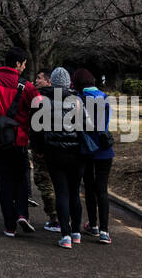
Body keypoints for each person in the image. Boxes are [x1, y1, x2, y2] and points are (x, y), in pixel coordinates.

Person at [0, 48, 39, 237]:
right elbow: (38, 109)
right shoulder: (27, 86)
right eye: (24, 64)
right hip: (18, 139)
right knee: (21, 177)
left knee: (4, 181)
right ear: (18, 64)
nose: (24, 68)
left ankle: (9, 225)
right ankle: (22, 213)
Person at [34, 67, 87, 249]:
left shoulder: (45, 102)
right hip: (76, 154)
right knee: (75, 193)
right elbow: (88, 126)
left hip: (54, 153)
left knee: (61, 192)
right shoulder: (77, 101)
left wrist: (39, 149)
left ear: (53, 83)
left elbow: (38, 129)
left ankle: (65, 235)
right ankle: (77, 233)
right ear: (68, 83)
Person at [75, 68, 113, 244]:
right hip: (105, 149)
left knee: (89, 188)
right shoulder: (104, 98)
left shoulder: (77, 99)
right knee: (102, 189)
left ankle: (94, 225)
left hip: (87, 148)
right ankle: (105, 231)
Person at [30, 69, 60, 233]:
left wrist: (37, 147)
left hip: (44, 148)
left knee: (45, 182)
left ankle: (54, 217)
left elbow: (35, 127)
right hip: (63, 148)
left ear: (49, 81)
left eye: (39, 78)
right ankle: (64, 218)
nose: (36, 80)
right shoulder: (69, 98)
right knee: (60, 183)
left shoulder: (39, 99)